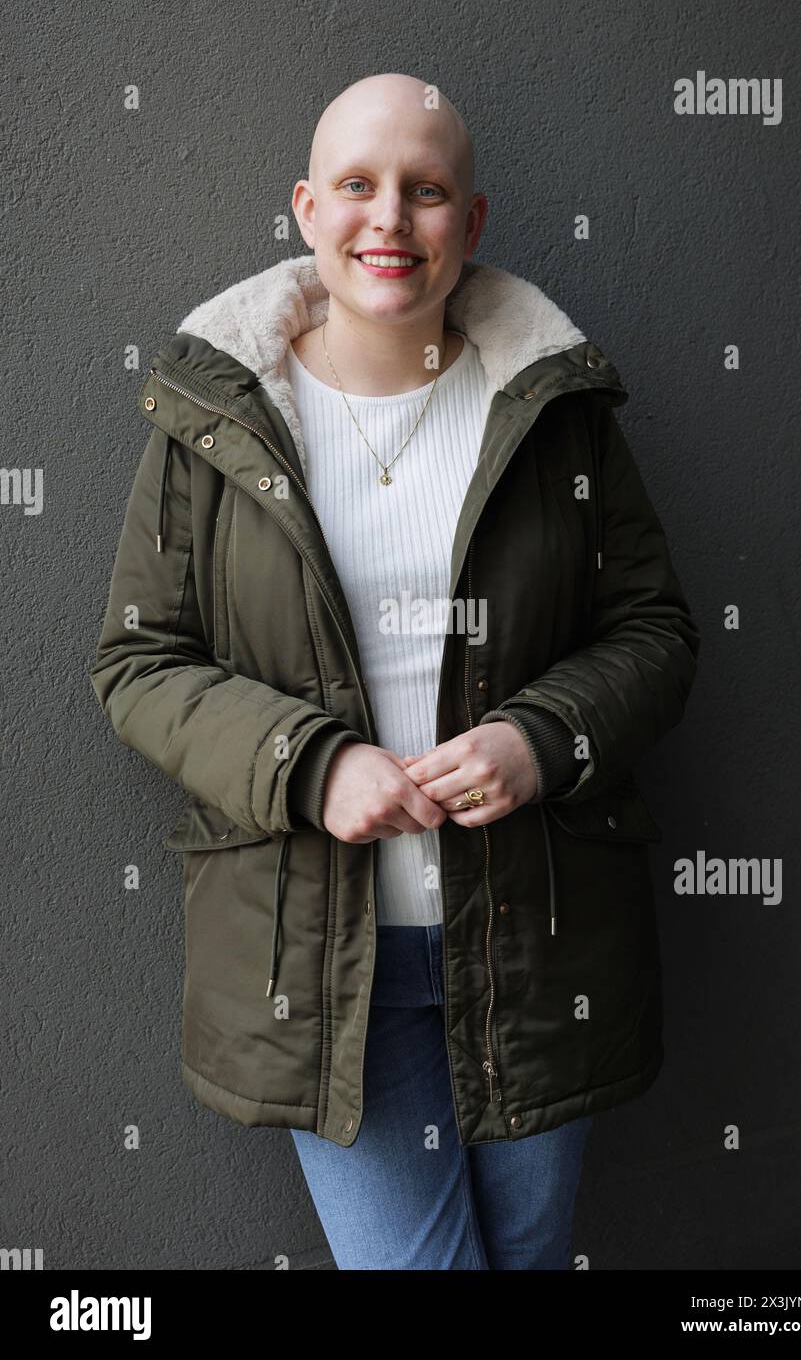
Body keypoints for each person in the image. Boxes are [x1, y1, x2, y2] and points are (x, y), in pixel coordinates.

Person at [88, 72, 700, 1270]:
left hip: (534, 940)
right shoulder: (215, 418)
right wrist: (307, 766)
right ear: (308, 210)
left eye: (426, 191)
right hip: (319, 964)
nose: (389, 219)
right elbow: (136, 661)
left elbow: (655, 633)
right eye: (359, 186)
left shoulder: (554, 406)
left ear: (468, 224)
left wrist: (541, 738)